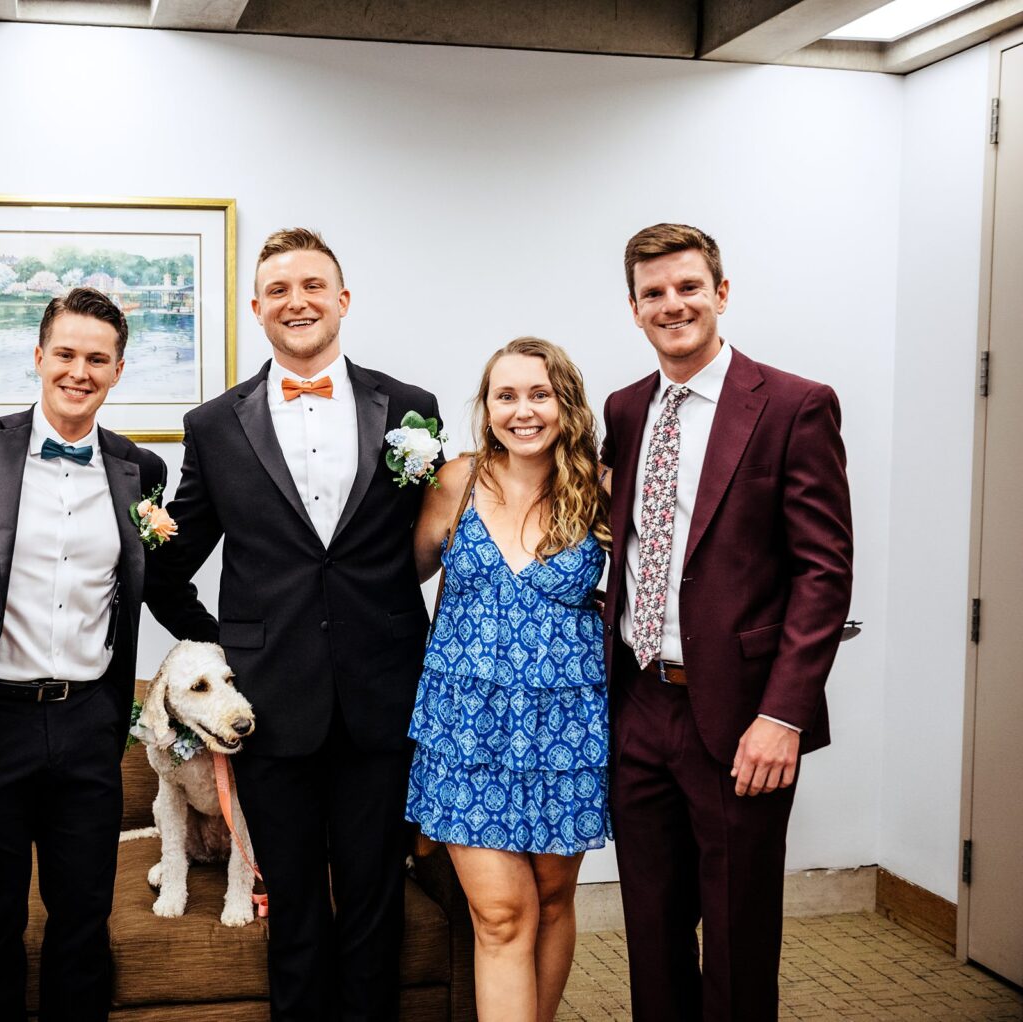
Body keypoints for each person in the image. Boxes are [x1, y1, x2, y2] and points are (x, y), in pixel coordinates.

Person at [155, 227, 441, 1021]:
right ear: (256, 308)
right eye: (278, 290)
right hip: (269, 707)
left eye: (313, 285)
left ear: (343, 300)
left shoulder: (412, 409)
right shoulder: (214, 425)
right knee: (296, 912)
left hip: (383, 696)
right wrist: (222, 648)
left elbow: (445, 536)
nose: (297, 301)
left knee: (375, 899)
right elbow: (170, 561)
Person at [0, 286, 216, 1022]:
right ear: (40, 356)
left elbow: (157, 589)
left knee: (83, 921)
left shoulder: (140, 471)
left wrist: (239, 648)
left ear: (118, 371)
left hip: (87, 725)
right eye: (67, 354)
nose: (80, 371)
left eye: (98, 359)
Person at [601, 224, 854, 1021]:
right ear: (634, 310)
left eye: (687, 287)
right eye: (653, 294)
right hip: (638, 705)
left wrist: (782, 714)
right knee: (651, 932)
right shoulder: (625, 409)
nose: (672, 305)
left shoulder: (792, 405)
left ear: (721, 291)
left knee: (740, 939)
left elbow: (824, 572)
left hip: (744, 716)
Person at [406, 338, 610, 1022]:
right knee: (499, 914)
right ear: (486, 407)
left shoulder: (601, 491)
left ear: (566, 405)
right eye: (506, 395)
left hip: (566, 733)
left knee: (552, 903)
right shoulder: (453, 483)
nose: (523, 410)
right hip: (466, 733)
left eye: (539, 394)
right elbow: (391, 588)